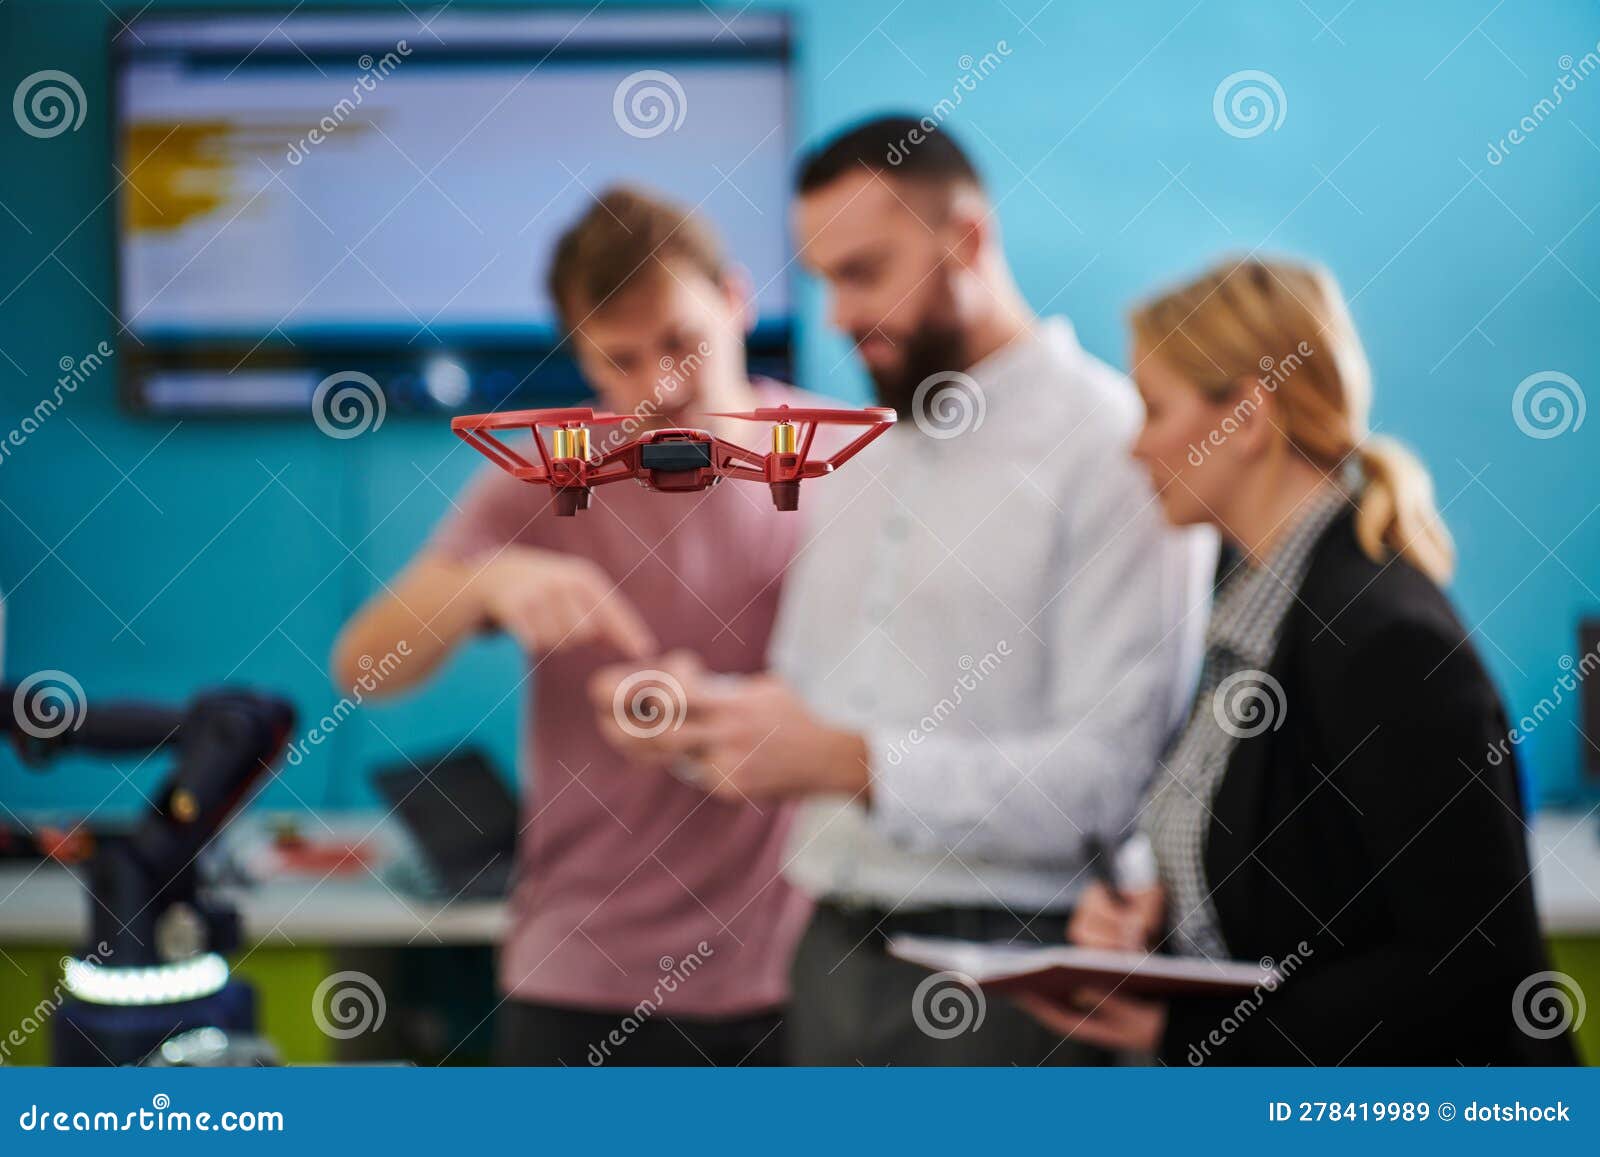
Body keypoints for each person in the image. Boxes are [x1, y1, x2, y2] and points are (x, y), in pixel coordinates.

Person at [591, 117, 1215, 1064]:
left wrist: (854, 763)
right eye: (823, 277)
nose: (836, 313)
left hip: (1016, 976)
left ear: (966, 242)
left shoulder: (1114, 450)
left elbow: (1110, 781)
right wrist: (696, 718)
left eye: (864, 272)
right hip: (832, 957)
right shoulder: (859, 452)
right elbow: (812, 710)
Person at [1018, 255, 1578, 1066]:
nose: (1134, 448)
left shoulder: (1386, 639)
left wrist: (1190, 1032)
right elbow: (1304, 882)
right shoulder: (1249, 609)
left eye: (1153, 408)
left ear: (1246, 415)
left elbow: (1476, 974)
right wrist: (1158, 918)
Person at [331, 186, 813, 1066]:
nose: (658, 386)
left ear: (738, 300)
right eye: (621, 359)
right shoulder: (550, 475)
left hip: (796, 974)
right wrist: (486, 580)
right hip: (582, 976)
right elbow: (364, 666)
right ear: (584, 360)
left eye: (680, 342)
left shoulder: (825, 460)